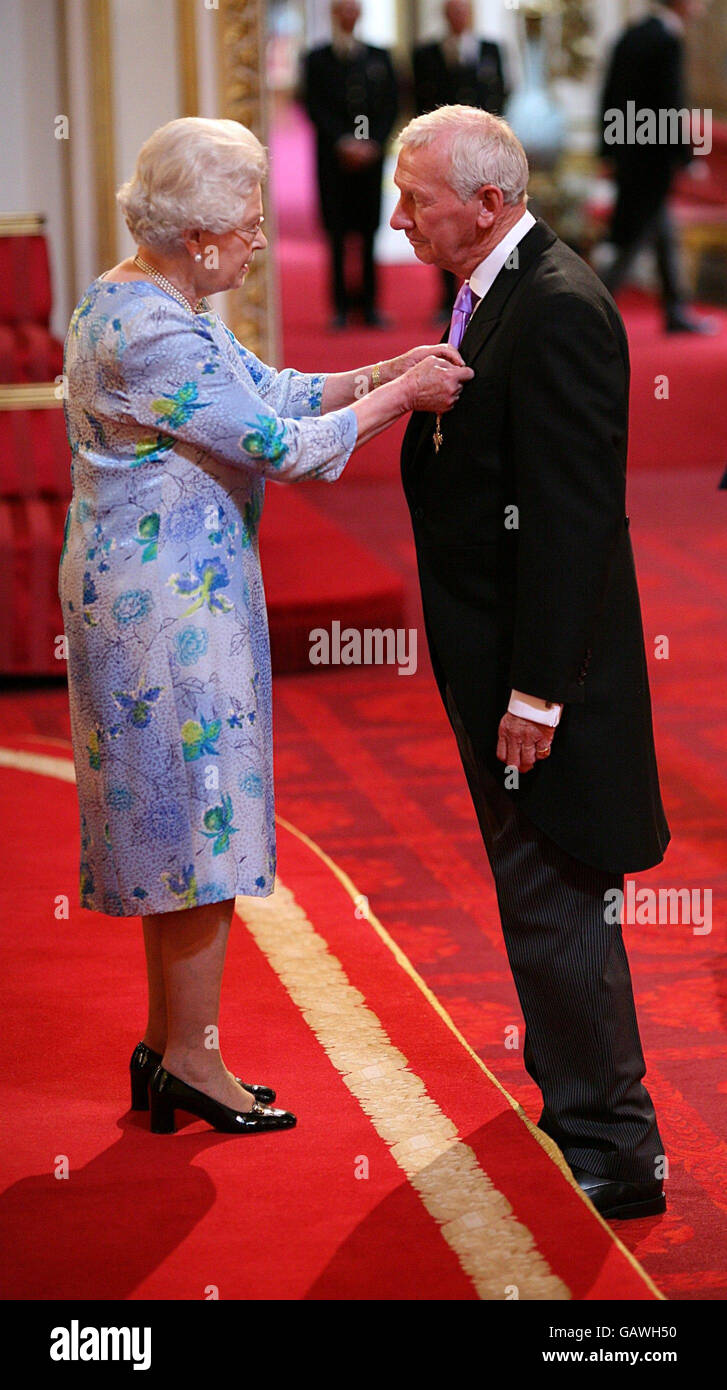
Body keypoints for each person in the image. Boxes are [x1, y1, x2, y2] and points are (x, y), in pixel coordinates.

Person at [58, 115, 472, 1139]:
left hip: (173, 595)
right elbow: (278, 443)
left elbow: (271, 392)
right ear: (197, 238)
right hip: (165, 615)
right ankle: (193, 1057)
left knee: (177, 823)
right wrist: (406, 398)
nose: (255, 242)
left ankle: (169, 1048)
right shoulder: (148, 327)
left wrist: (377, 375)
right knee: (196, 823)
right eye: (246, 228)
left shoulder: (157, 296)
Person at [391, 104, 671, 1220]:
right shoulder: (490, 287)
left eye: (415, 198)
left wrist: (537, 695)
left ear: (488, 204)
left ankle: (617, 1148)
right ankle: (574, 1107)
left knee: (562, 899)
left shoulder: (555, 310)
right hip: (496, 666)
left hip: (545, 687)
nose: (399, 215)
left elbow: (571, 523)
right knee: (535, 898)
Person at [599, 0, 718, 334]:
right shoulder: (666, 40)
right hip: (651, 161)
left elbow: (610, 98)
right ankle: (588, 307)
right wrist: (686, 157)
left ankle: (675, 309)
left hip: (629, 155)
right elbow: (670, 105)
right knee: (629, 241)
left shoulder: (631, 34)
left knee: (657, 234)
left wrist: (608, 151)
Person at [303, 0, 398, 328]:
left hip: (370, 160)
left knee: (369, 231)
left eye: (352, 8)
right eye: (341, 8)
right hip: (334, 160)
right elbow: (313, 105)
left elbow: (390, 104)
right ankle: (340, 307)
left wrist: (372, 143)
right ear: (333, 14)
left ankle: (370, 305)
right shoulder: (317, 59)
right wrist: (344, 141)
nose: (348, 15)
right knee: (338, 232)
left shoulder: (378, 57)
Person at [412, 0, 508, 319]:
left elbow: (502, 94)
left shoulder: (491, 50)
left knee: (482, 219)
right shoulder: (426, 54)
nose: (458, 17)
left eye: (463, 11)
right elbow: (419, 101)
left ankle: (484, 290)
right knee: (444, 220)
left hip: (482, 154)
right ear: (445, 16)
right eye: (453, 11)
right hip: (444, 154)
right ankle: (446, 298)